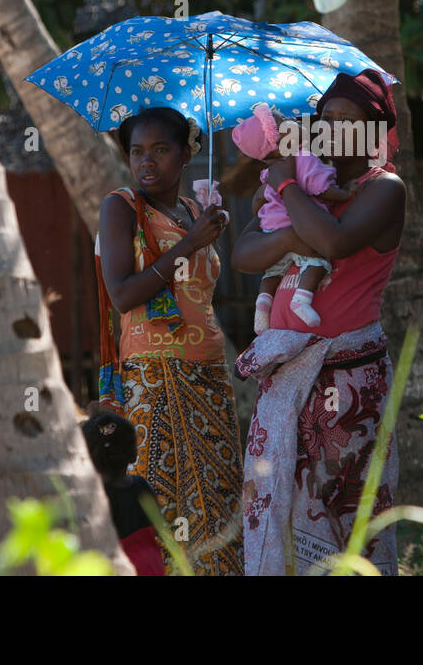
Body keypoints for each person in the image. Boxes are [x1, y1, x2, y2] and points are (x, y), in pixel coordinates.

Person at [231, 69, 406, 575]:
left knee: (346, 516)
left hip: (348, 386)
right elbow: (244, 251)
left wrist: (284, 180)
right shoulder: (306, 179)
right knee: (283, 508)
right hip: (290, 380)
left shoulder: (384, 188)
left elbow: (332, 242)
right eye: (325, 119)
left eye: (346, 122)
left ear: (373, 134)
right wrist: (287, 237)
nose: (330, 130)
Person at [94, 106, 243, 575]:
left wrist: (201, 233)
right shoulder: (120, 208)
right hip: (155, 375)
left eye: (160, 150)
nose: (147, 162)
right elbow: (121, 294)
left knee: (219, 500)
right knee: (165, 498)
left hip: (211, 372)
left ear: (186, 154)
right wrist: (188, 244)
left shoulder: (197, 212)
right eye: (137, 151)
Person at [230, 104, 355, 332]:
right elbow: (320, 187)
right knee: (317, 262)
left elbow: (257, 204)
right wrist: (345, 193)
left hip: (270, 229)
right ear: (279, 141)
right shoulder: (301, 157)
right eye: (287, 122)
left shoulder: (269, 172)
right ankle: (302, 300)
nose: (295, 121)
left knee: (272, 273)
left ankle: (262, 304)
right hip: (297, 227)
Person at [80, 409, 165, 576]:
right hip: (151, 566)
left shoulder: (93, 497)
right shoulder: (141, 485)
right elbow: (160, 527)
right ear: (133, 455)